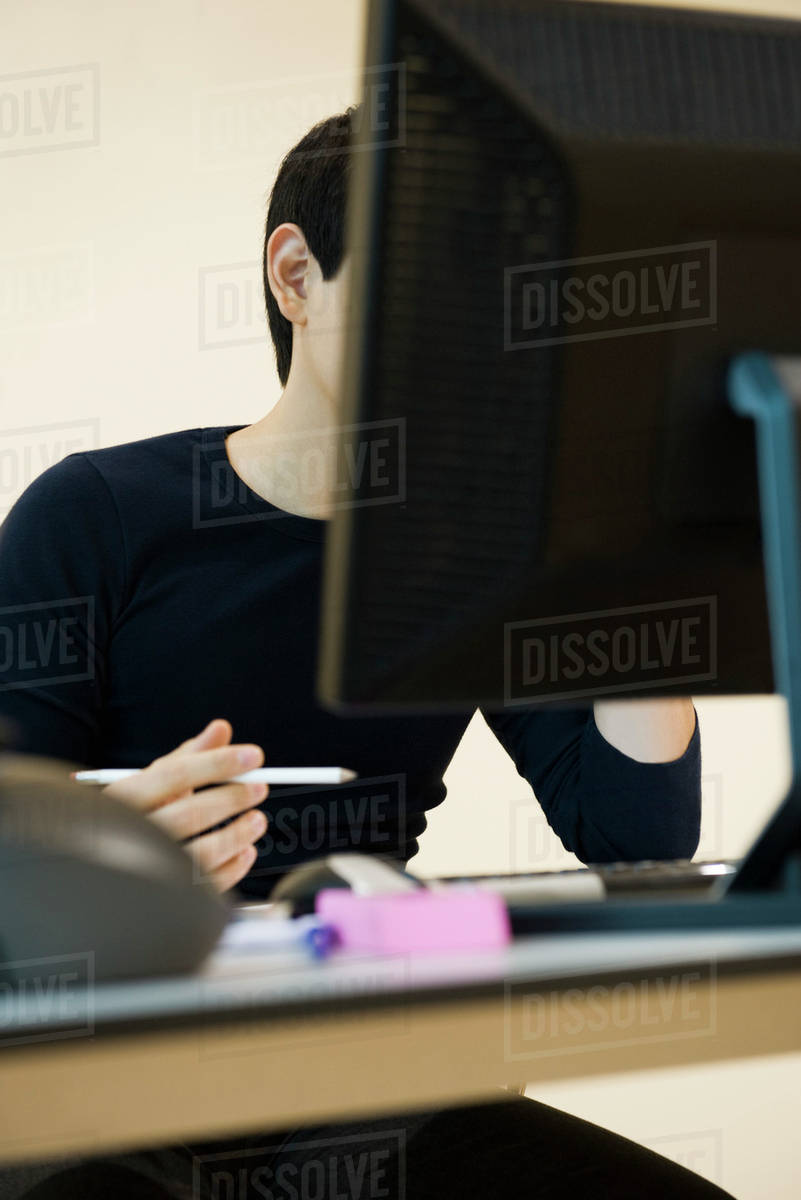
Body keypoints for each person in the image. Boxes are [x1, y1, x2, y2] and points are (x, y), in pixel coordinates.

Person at [0, 108, 733, 1199]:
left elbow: (638, 843)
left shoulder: (477, 558)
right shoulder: (100, 513)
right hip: (108, 1066)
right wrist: (107, 865)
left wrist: (626, 551)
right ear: (297, 276)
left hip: (372, 1064)